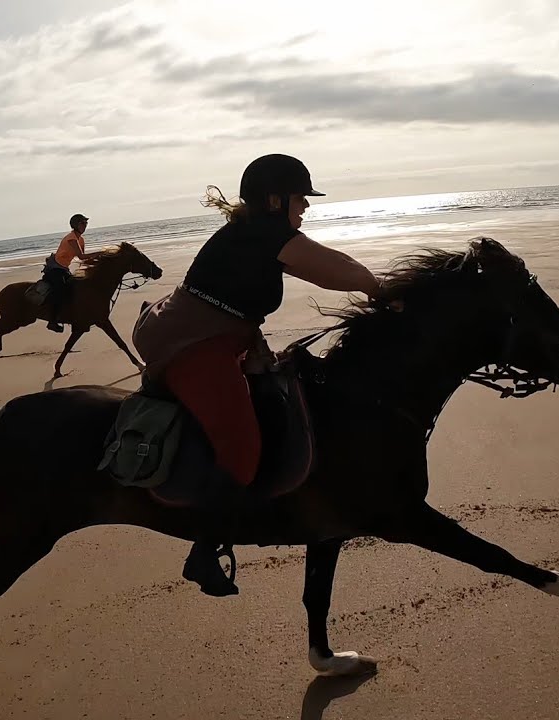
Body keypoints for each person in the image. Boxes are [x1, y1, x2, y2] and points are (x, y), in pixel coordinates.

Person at [131, 153, 391, 596]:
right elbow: (337, 272)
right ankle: (203, 551)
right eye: (299, 198)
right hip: (194, 342)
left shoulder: (263, 232)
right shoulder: (263, 233)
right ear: (275, 200)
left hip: (222, 335)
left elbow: (329, 259)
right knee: (241, 446)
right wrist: (379, 289)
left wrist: (373, 284)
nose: (305, 206)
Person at [43, 213, 100, 332]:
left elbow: (83, 259)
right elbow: (81, 255)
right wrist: (101, 253)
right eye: (83, 223)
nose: (85, 226)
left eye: (86, 223)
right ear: (76, 225)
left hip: (64, 268)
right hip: (55, 268)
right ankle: (52, 321)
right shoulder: (72, 238)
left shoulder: (81, 239)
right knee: (61, 291)